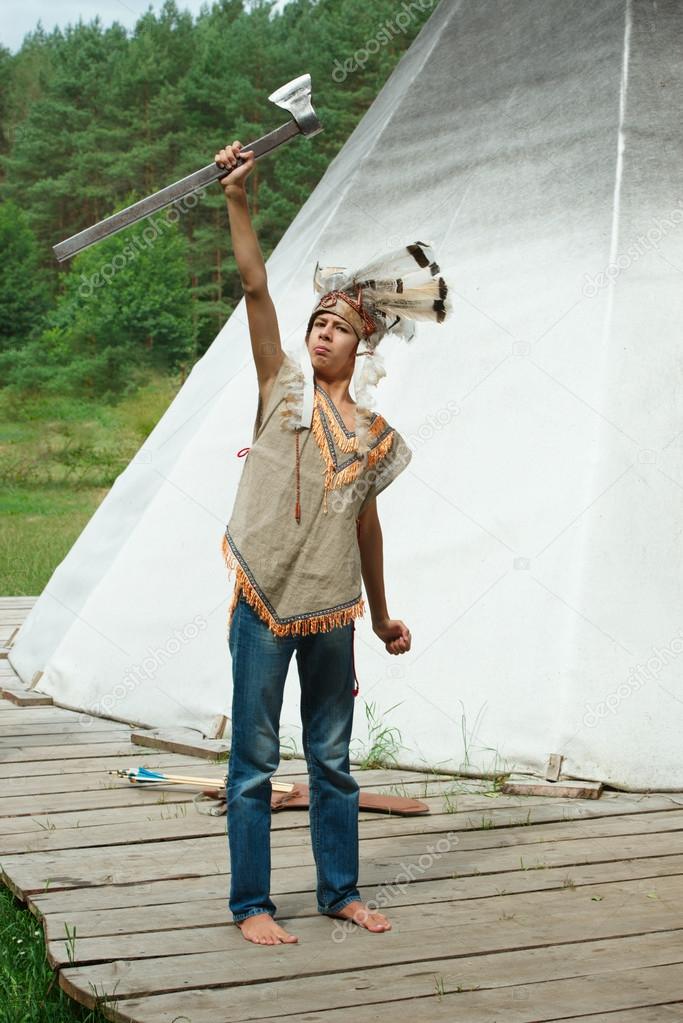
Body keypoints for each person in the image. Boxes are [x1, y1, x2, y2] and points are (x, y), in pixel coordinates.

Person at [216, 139, 450, 947]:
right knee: (252, 761)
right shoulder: (280, 389)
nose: (318, 332)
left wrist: (383, 617)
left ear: (363, 345)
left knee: (330, 758)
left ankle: (338, 891)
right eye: (315, 321)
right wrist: (239, 199)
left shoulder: (374, 437)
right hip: (261, 596)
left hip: (331, 610)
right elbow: (253, 287)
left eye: (335, 326)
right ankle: (251, 904)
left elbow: (366, 525)